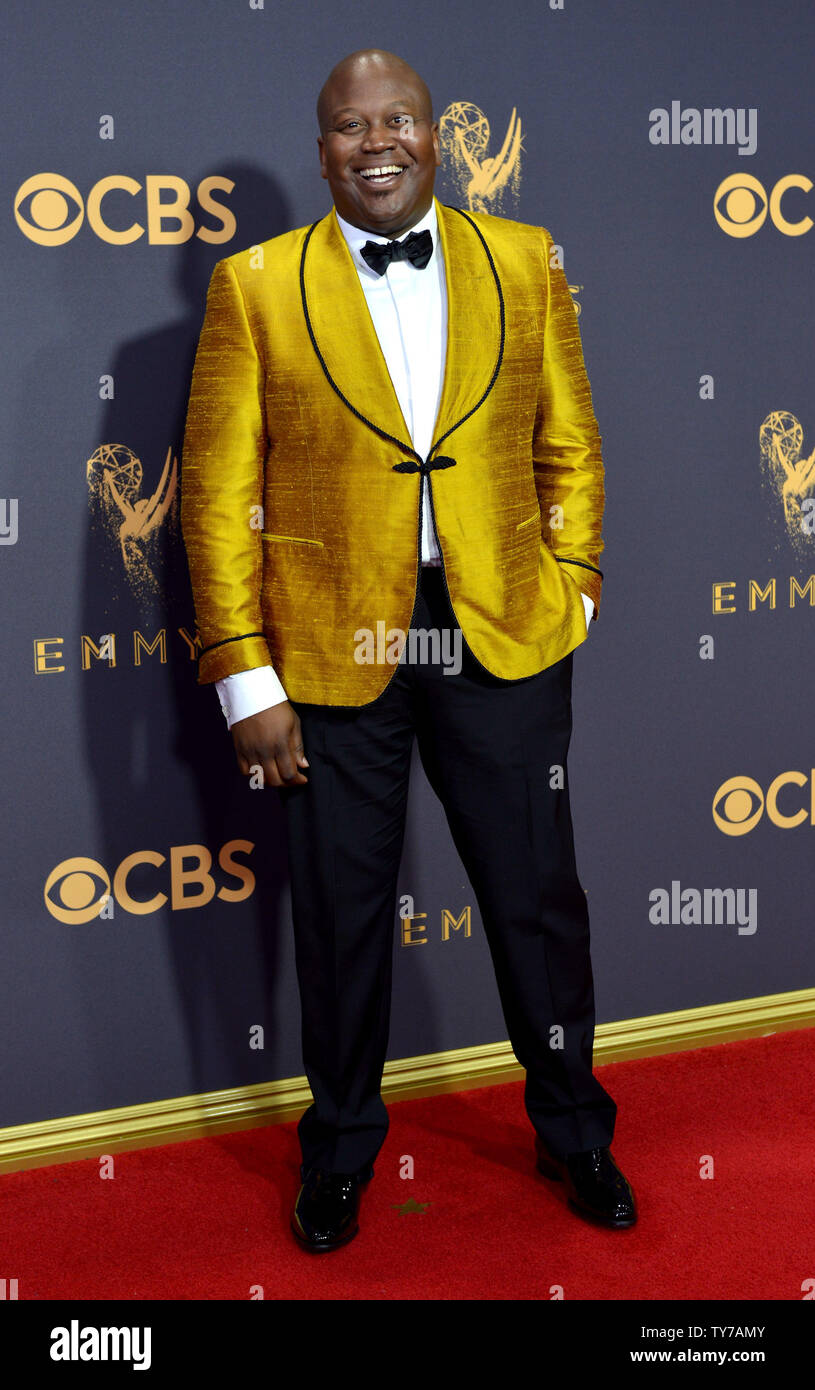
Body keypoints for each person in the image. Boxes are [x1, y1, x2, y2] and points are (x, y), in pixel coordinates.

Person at [181, 47, 636, 1253]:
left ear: (434, 134)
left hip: (499, 631)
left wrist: (573, 590)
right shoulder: (255, 285)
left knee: (537, 905)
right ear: (320, 144)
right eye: (348, 125)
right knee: (337, 918)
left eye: (397, 119)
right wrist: (242, 673)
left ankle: (575, 1132)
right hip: (331, 653)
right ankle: (336, 1154)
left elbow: (571, 444)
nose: (375, 141)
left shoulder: (524, 258)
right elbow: (218, 499)